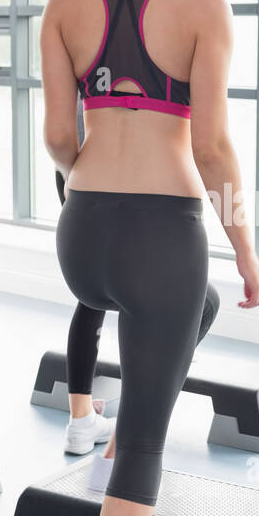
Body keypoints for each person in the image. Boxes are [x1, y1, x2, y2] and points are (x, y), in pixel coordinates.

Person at [40, 0, 259, 516]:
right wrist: (247, 249)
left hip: (85, 237)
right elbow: (211, 150)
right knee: (144, 438)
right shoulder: (204, 10)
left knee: (186, 308)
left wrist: (87, 183)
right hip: (162, 236)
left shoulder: (65, 2)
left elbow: (59, 140)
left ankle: (112, 452)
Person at [55, 168, 221, 497]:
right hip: (141, 210)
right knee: (202, 304)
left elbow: (59, 141)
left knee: (93, 297)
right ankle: (119, 446)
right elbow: (210, 151)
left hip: (81, 199)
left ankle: (81, 418)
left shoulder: (84, 113)